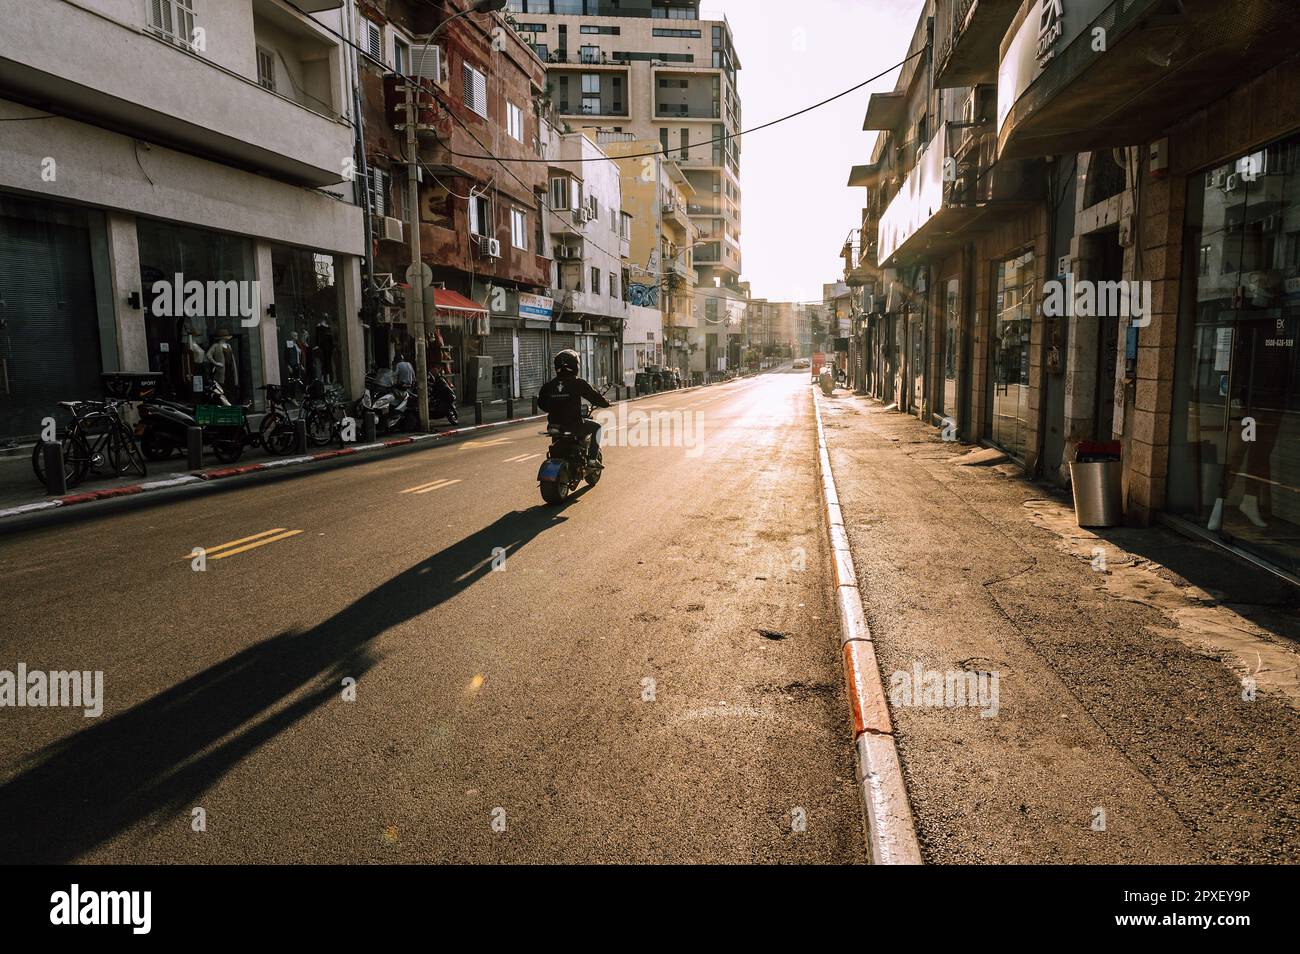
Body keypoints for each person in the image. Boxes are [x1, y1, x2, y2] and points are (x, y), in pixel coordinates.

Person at [537, 349, 610, 465]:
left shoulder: (549, 385)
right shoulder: (578, 383)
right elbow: (594, 397)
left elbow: (541, 404)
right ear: (575, 365)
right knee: (597, 428)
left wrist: (554, 406)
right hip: (574, 425)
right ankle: (591, 460)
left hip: (554, 425)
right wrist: (606, 403)